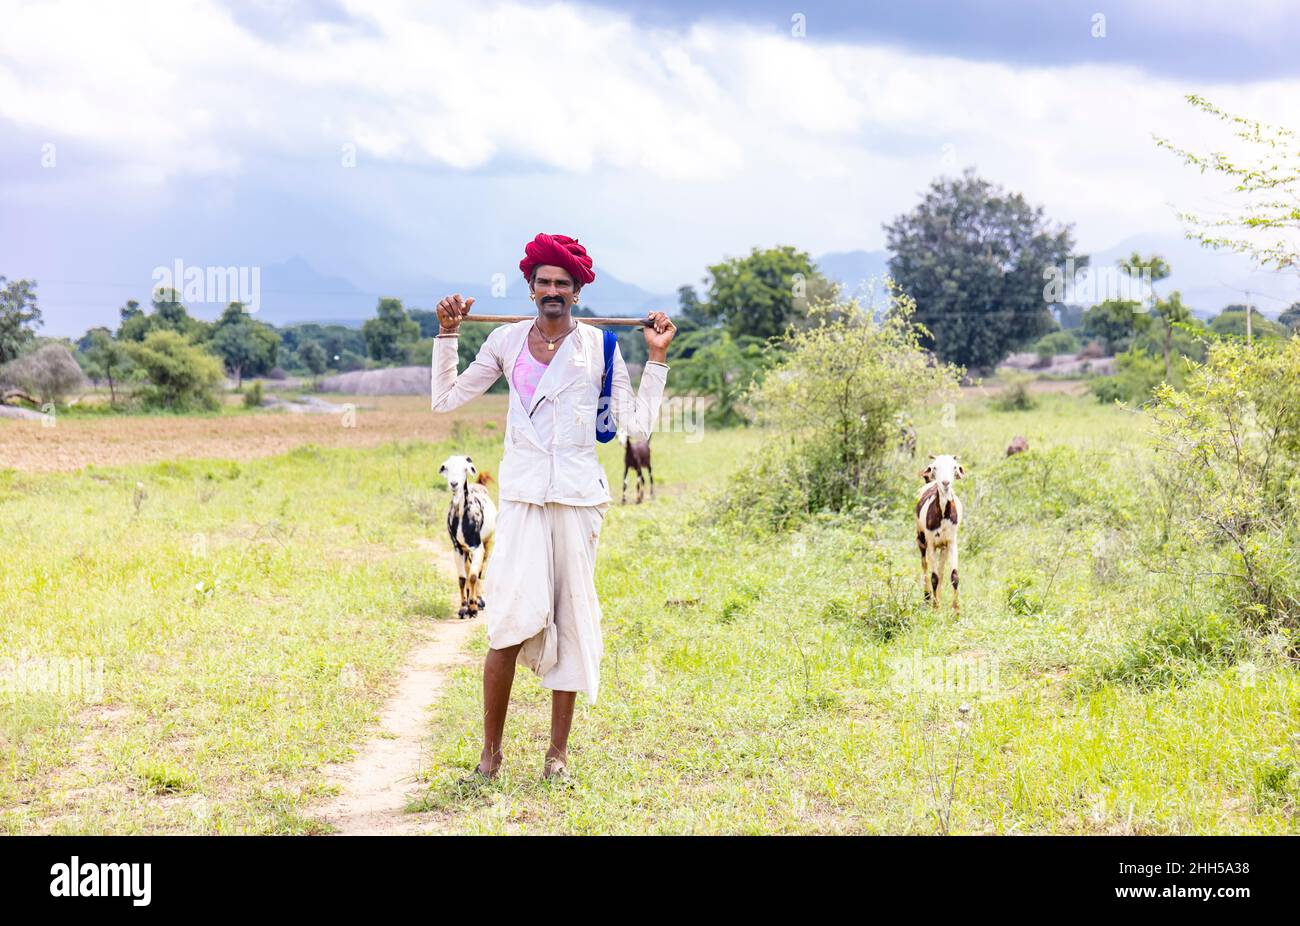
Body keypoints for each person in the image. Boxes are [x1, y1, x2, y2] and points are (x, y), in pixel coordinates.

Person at [431, 233, 676, 781]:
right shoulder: (504, 342)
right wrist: (447, 335)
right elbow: (445, 398)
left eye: (562, 283)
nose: (552, 291)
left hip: (577, 498)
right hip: (520, 498)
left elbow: (635, 427)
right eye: (543, 282)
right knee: (508, 622)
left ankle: (556, 757)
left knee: (570, 620)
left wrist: (656, 358)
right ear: (530, 287)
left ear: (578, 291)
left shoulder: (601, 348)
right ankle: (490, 756)